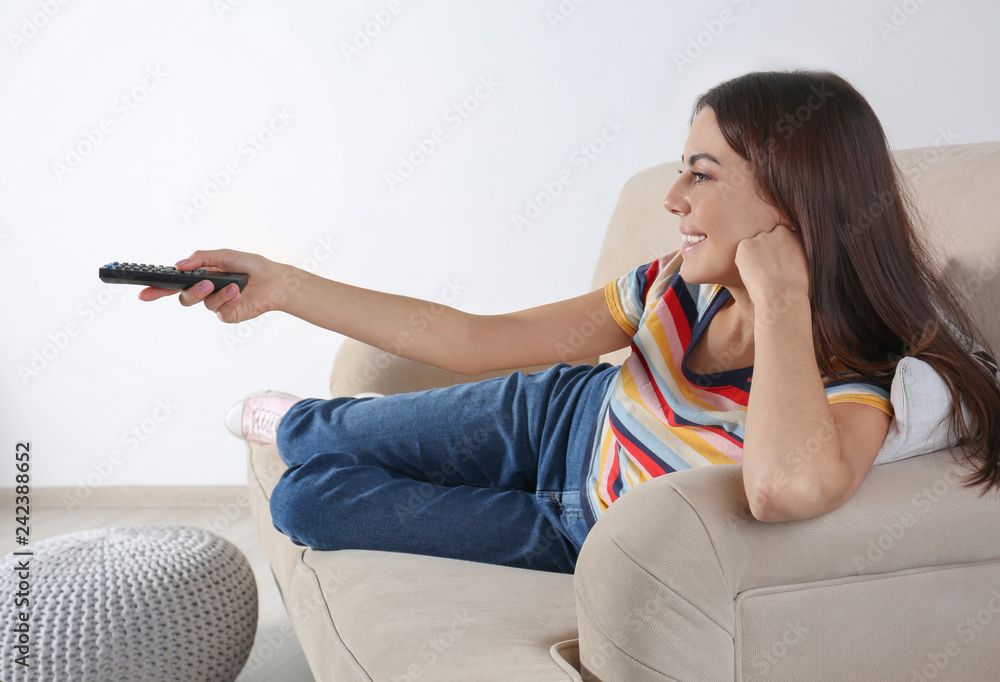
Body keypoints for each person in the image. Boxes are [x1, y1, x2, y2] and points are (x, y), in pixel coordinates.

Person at [141, 69, 1000, 575]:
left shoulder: (860, 379)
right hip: (554, 417)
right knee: (318, 436)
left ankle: (325, 436)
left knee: (306, 499)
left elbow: (785, 491)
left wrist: (778, 298)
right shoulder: (670, 286)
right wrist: (281, 285)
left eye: (701, 174)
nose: (673, 199)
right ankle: (308, 421)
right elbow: (471, 341)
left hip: (575, 527)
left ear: (792, 196)